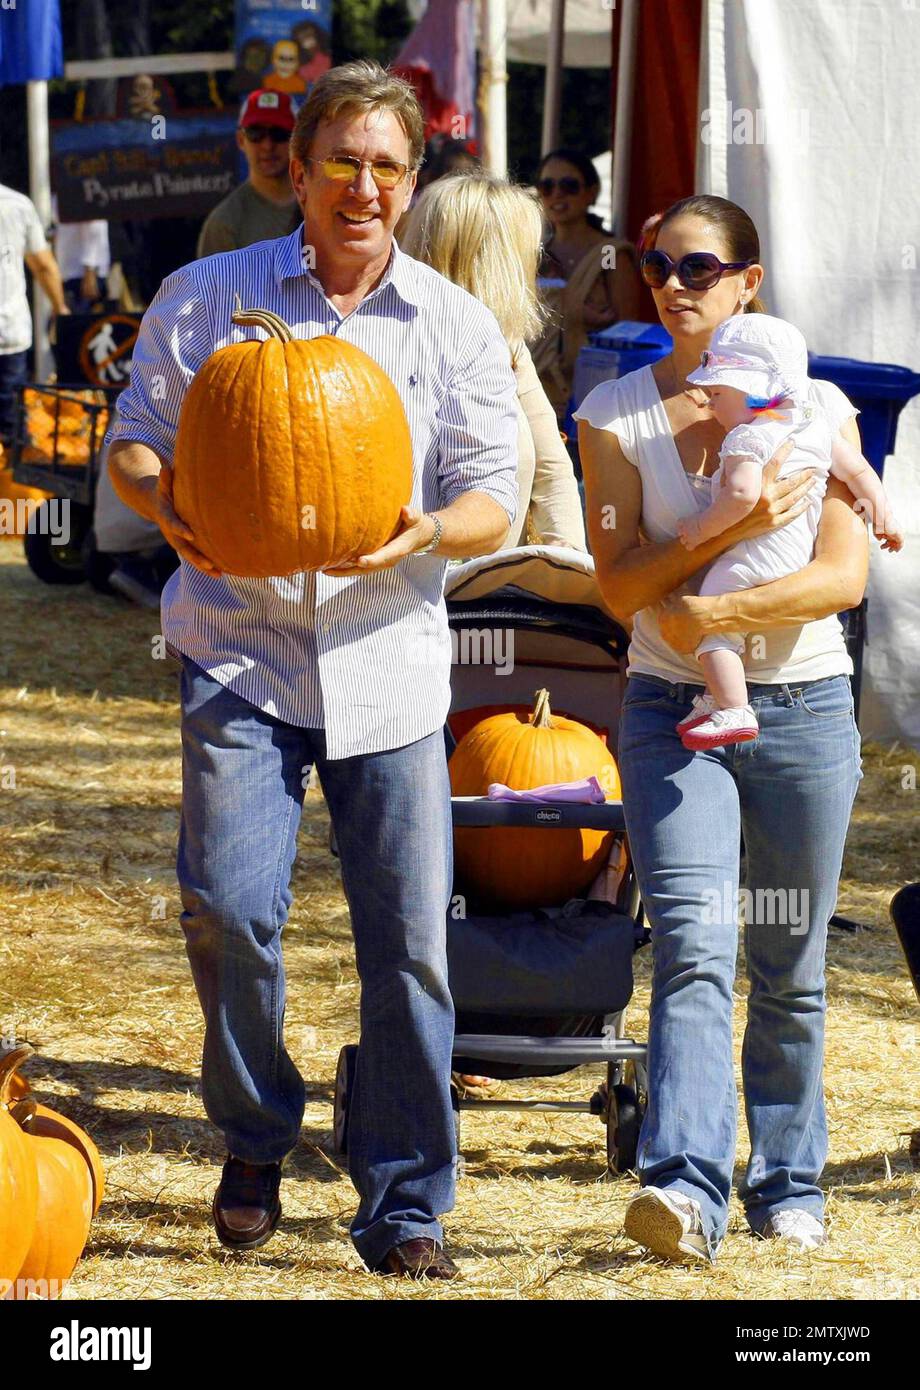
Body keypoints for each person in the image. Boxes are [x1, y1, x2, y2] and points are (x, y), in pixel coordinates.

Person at [105, 59, 518, 1281]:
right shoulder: (204, 294)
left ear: (412, 179)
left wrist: (428, 532)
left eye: (388, 166)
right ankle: (253, 1132)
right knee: (230, 912)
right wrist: (167, 500)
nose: (363, 186)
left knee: (409, 944)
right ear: (299, 167)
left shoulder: (450, 323)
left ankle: (402, 1197)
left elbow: (491, 494)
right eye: (341, 159)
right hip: (237, 648)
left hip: (387, 660)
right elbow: (134, 443)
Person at [575, 194, 867, 1264]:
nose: (672, 283)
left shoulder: (813, 400)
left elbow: (837, 578)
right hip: (669, 708)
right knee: (693, 946)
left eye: (699, 267)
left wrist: (707, 606)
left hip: (803, 708)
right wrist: (737, 531)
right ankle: (683, 1190)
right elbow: (616, 591)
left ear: (749, 284)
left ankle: (787, 1181)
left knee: (788, 960)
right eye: (656, 264)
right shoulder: (612, 412)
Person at [672, 312, 901, 749]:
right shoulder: (812, 424)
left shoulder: (746, 439)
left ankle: (732, 705)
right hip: (797, 557)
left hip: (757, 555)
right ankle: (716, 692)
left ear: (755, 392)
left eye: (718, 392)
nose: (709, 403)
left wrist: (701, 529)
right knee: (724, 622)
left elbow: (742, 497)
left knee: (710, 618)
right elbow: (857, 470)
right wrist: (882, 514)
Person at [400, 173, 586, 550]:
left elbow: (552, 474)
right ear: (494, 263)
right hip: (411, 593)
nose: (534, 266)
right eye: (528, 252)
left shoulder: (510, 349)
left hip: (501, 594)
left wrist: (567, 561)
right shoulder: (393, 346)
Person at [532, 148, 642, 422]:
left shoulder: (607, 253)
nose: (557, 194)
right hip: (541, 397)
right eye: (547, 186)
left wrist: (581, 316)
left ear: (591, 193)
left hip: (596, 396)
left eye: (569, 186)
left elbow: (626, 330)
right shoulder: (536, 253)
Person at [0, 184, 69, 447]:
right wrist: (60, 307)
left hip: (10, 332)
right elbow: (42, 266)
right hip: (8, 330)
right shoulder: (16, 204)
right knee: (12, 424)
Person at [196, 90, 301, 259]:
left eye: (279, 133)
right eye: (255, 134)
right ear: (240, 140)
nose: (267, 145)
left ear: (297, 141)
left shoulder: (323, 206)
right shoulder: (225, 223)